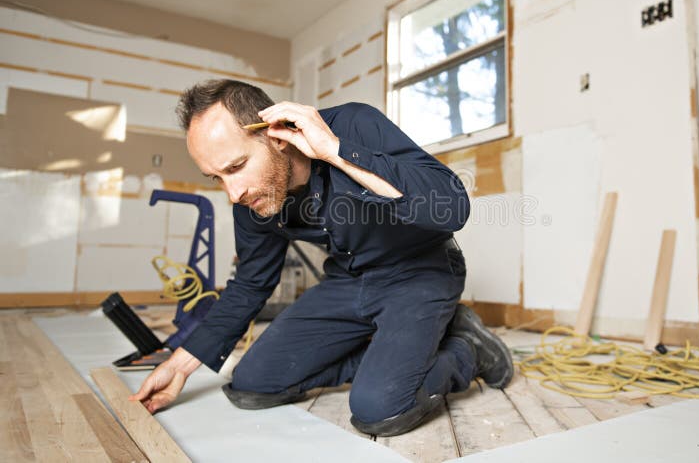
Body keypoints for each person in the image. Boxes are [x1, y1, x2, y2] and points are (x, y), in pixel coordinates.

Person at [131, 79, 513, 436]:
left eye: (236, 167)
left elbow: (451, 209)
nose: (233, 193)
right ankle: (394, 353)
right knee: (252, 383)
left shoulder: (353, 124)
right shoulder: (252, 196)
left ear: (275, 136)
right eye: (217, 178)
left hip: (418, 273)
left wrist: (335, 151)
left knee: (379, 409)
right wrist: (180, 365)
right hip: (347, 282)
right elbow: (251, 283)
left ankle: (466, 350)